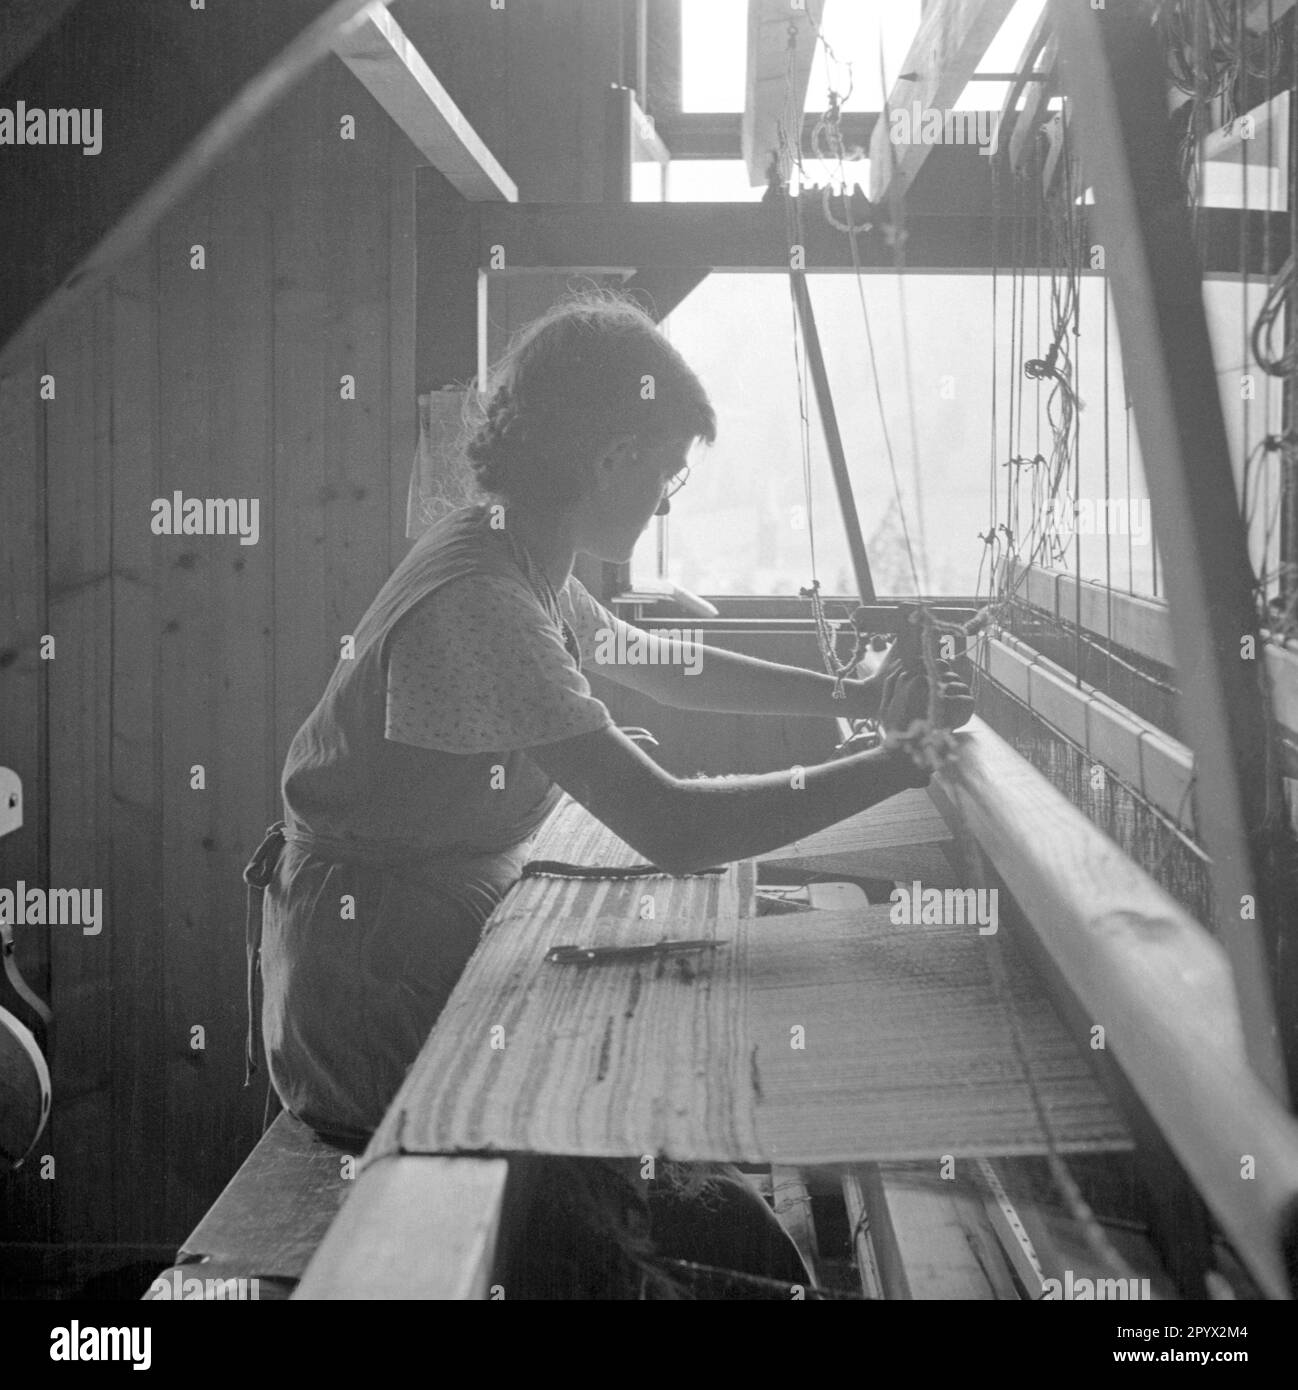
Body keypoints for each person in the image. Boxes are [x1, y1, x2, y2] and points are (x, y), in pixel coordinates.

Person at [244, 292, 971, 1297]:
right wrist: (907, 761)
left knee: (710, 1224)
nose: (666, 499)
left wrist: (848, 697)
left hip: (404, 946)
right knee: (594, 1255)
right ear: (611, 456)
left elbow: (654, 659)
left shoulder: (517, 551)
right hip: (366, 988)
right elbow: (673, 823)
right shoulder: (482, 597)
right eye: (667, 471)